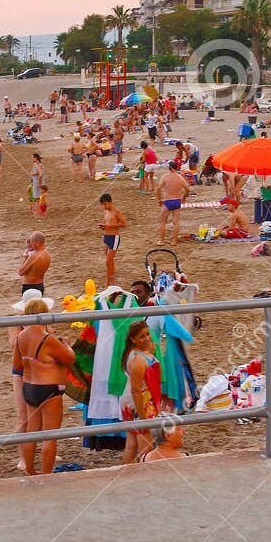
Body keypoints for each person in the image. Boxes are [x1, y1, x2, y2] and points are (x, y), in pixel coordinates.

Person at [13, 297, 76, 475]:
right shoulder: (48, 339)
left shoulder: (20, 337)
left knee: (32, 433)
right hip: (49, 389)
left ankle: (31, 472)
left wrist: (36, 362)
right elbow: (70, 359)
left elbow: (17, 365)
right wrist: (66, 345)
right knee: (50, 435)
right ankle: (46, 475)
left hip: (29, 387)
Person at [119, 319, 172, 464]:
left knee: (131, 444)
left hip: (132, 402)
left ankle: (125, 472)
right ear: (133, 339)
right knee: (146, 447)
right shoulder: (137, 360)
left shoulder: (136, 353)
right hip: (141, 403)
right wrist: (142, 417)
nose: (147, 338)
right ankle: (142, 472)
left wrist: (150, 350)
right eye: (142, 336)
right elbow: (136, 390)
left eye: (147, 334)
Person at [97, 194, 127, 287]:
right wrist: (104, 227)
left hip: (114, 238)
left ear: (110, 202)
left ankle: (108, 284)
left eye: (105, 204)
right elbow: (107, 224)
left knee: (108, 262)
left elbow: (124, 224)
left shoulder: (116, 211)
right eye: (102, 205)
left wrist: (109, 226)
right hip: (106, 237)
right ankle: (111, 281)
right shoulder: (106, 212)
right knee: (110, 261)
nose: (104, 206)